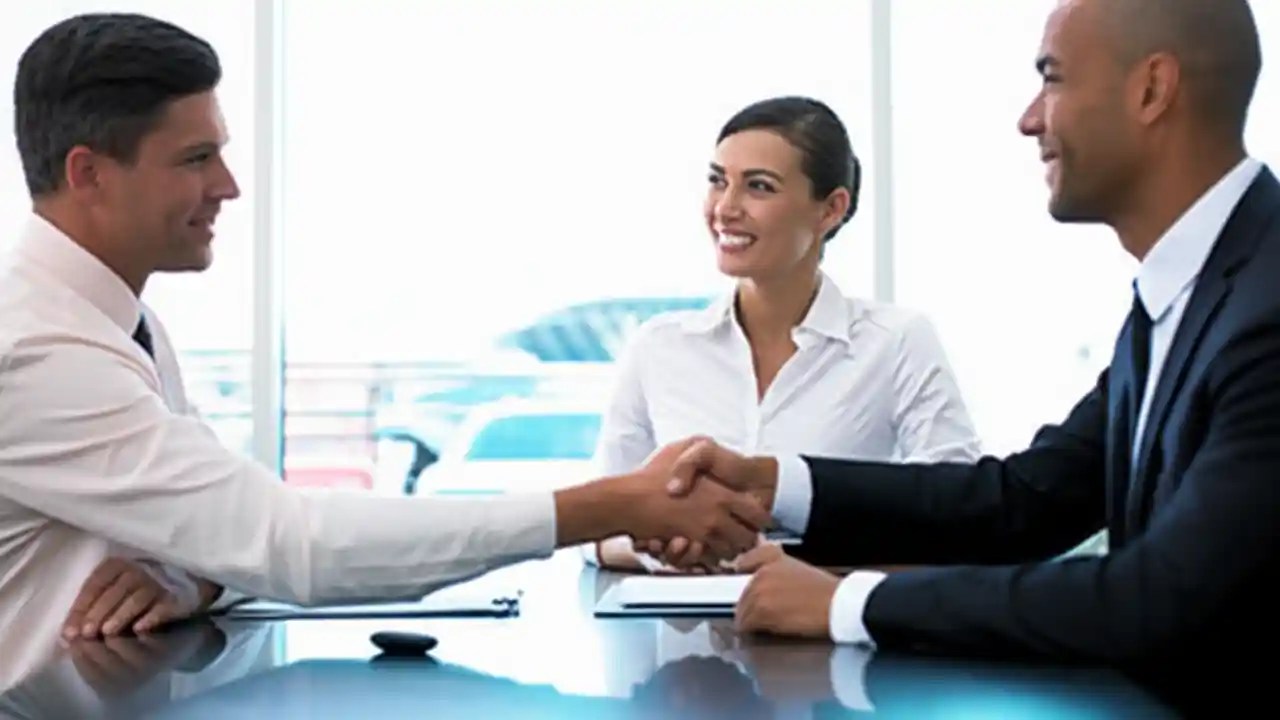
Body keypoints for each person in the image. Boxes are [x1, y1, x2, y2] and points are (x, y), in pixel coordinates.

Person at [0, 12, 769, 658]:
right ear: (89, 173)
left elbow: (230, 531)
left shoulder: (116, 323)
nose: (227, 185)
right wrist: (612, 504)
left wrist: (192, 573)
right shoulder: (38, 350)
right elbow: (285, 541)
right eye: (196, 158)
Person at [650, 0, 1278, 691]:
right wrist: (772, 483)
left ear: (1151, 90)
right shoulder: (1179, 298)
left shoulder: (1265, 303)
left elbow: (1160, 597)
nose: (1030, 118)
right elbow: (1021, 504)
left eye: (1054, 78)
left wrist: (848, 604)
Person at [588, 96, 982, 572]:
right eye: (718, 181)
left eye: (758, 187)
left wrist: (801, 558)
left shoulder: (897, 341)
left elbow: (959, 515)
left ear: (831, 209)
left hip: (827, 632)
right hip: (674, 635)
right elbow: (598, 526)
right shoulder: (659, 347)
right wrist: (674, 550)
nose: (726, 209)